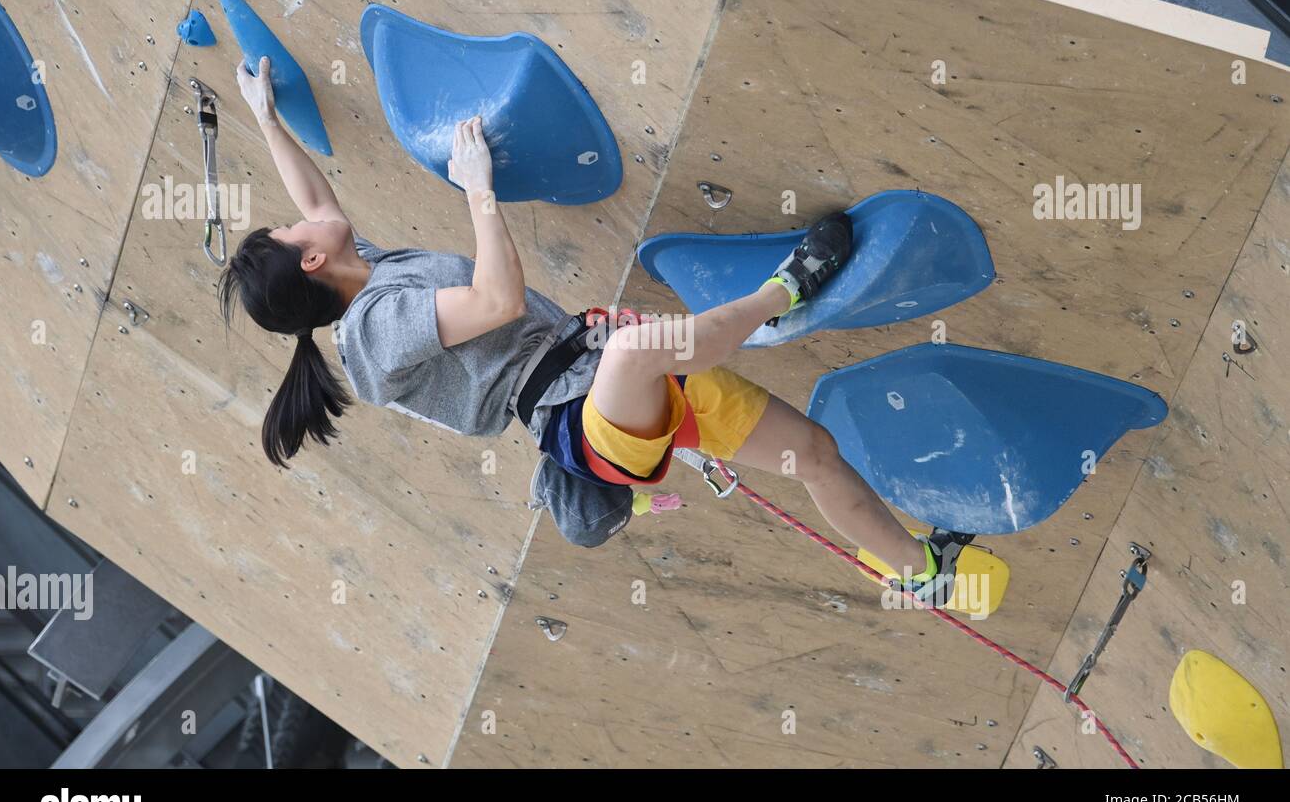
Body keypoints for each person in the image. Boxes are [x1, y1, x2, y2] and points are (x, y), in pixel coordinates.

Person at [219, 57, 972, 604]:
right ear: (313, 258)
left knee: (813, 453)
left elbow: (313, 195)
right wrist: (477, 190)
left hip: (604, 372)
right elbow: (499, 300)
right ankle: (786, 291)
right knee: (641, 351)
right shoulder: (375, 333)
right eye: (289, 231)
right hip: (583, 423)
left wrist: (264, 117)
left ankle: (922, 569)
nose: (296, 214)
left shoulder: (367, 275)